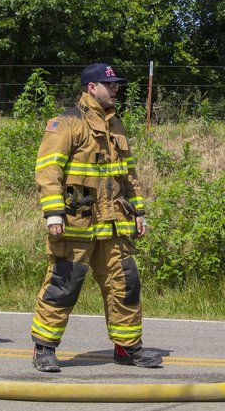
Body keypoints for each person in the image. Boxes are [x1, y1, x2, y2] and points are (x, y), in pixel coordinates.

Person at [30, 63, 163, 372]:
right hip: (78, 222)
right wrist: (53, 213)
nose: (115, 88)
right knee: (63, 284)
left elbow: (129, 174)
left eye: (116, 84)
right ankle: (44, 348)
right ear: (92, 88)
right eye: (109, 84)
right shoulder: (66, 123)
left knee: (125, 284)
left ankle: (127, 348)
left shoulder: (117, 124)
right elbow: (48, 171)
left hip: (115, 223)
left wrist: (139, 210)